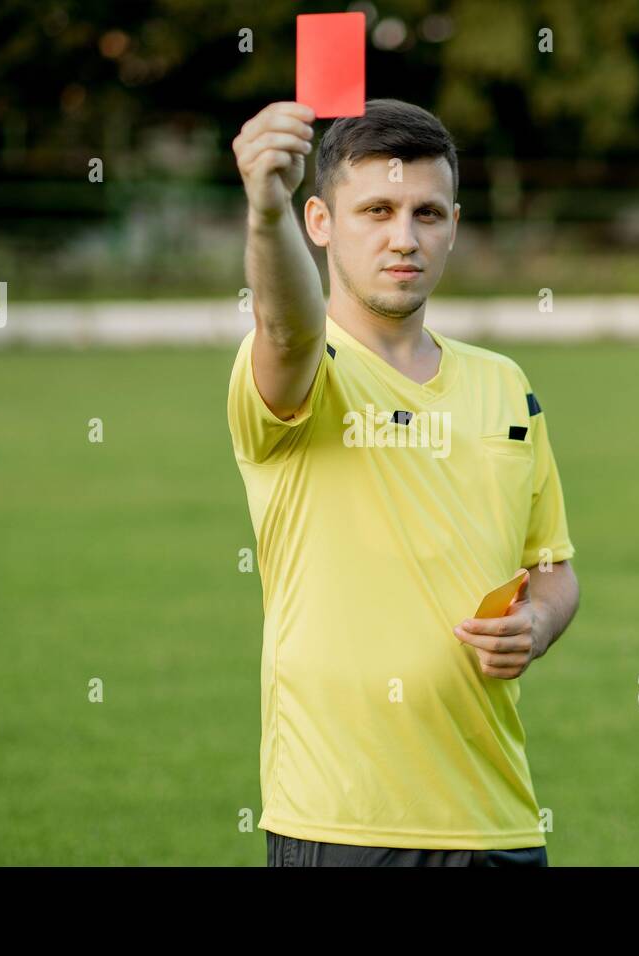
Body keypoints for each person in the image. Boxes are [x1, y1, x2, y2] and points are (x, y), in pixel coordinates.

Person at [228, 98, 580, 867]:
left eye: (427, 213)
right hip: (345, 825)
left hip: (501, 824)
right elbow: (287, 325)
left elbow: (551, 566)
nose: (404, 237)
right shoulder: (305, 372)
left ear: (453, 224)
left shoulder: (505, 383)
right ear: (318, 221)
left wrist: (540, 624)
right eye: (377, 210)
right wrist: (264, 212)